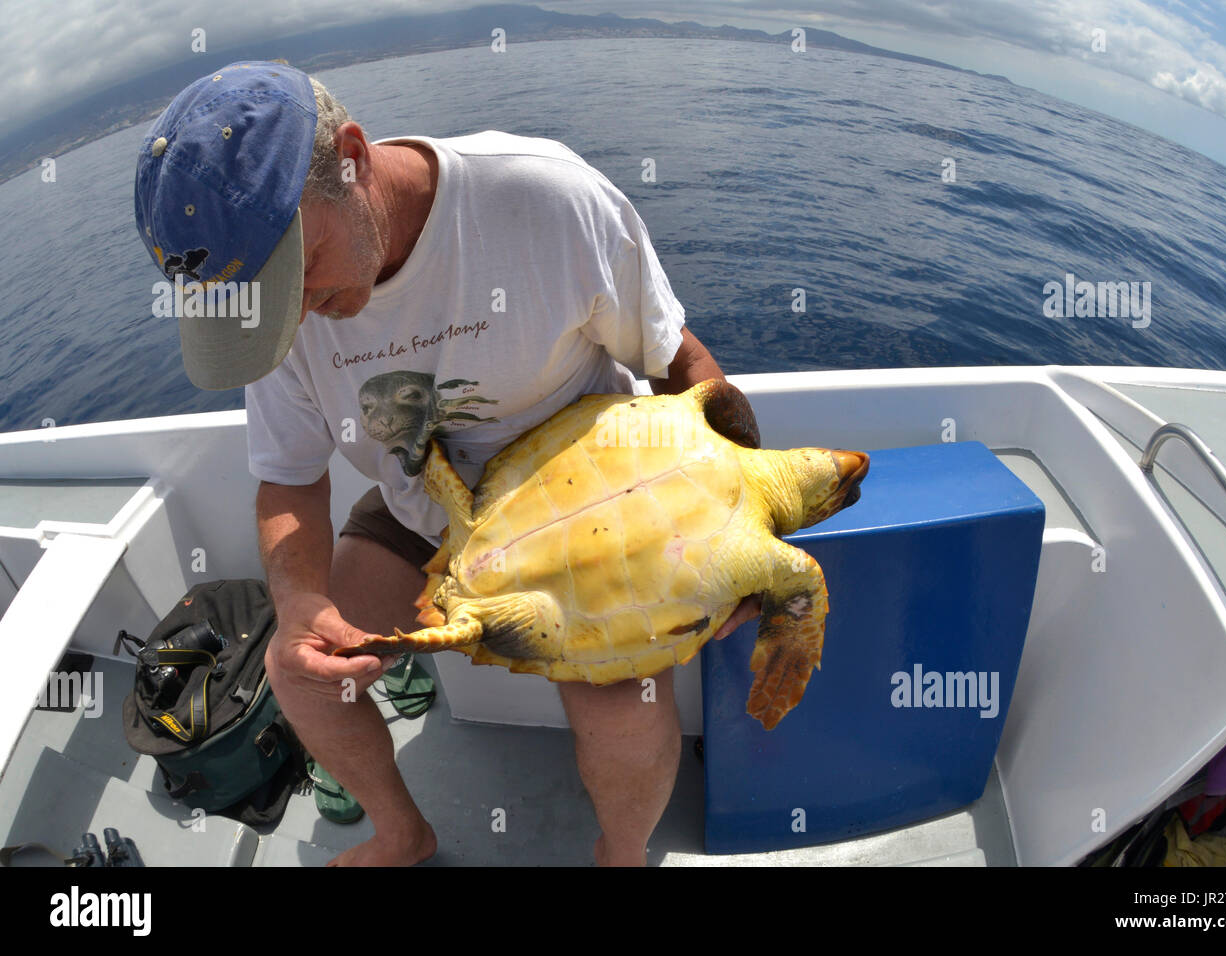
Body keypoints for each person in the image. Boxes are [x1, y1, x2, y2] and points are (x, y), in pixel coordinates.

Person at [134, 60, 758, 866]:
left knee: (625, 710)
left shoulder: (544, 198)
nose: (286, 320)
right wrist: (296, 606)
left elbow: (682, 366)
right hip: (419, 512)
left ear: (351, 157)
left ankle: (622, 855)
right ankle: (403, 834)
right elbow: (290, 475)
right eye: (259, 305)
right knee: (302, 678)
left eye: (297, 276)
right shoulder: (273, 317)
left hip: (587, 518)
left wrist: (736, 525)